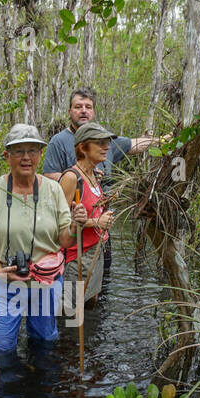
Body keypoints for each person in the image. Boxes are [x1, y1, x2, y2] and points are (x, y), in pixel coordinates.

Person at [0, 123, 88, 355]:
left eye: (32, 151)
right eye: (18, 151)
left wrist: (75, 225)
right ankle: (5, 389)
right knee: (1, 348)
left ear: (40, 155)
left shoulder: (53, 190)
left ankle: (39, 387)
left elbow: (66, 240)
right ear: (7, 156)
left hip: (46, 282)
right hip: (6, 281)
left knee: (44, 342)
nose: (26, 158)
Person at [43, 88, 165, 286]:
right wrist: (83, 177)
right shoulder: (59, 142)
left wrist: (164, 141)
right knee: (74, 295)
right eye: (78, 107)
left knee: (101, 284)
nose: (83, 111)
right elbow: (49, 177)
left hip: (102, 229)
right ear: (69, 111)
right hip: (77, 234)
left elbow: (135, 144)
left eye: (88, 107)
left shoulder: (105, 142)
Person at [57, 122, 116, 318]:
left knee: (90, 306)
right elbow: (59, 224)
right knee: (70, 314)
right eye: (99, 143)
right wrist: (96, 223)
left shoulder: (94, 176)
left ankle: (90, 347)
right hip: (76, 257)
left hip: (96, 252)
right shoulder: (71, 178)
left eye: (106, 142)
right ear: (83, 147)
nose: (106, 146)